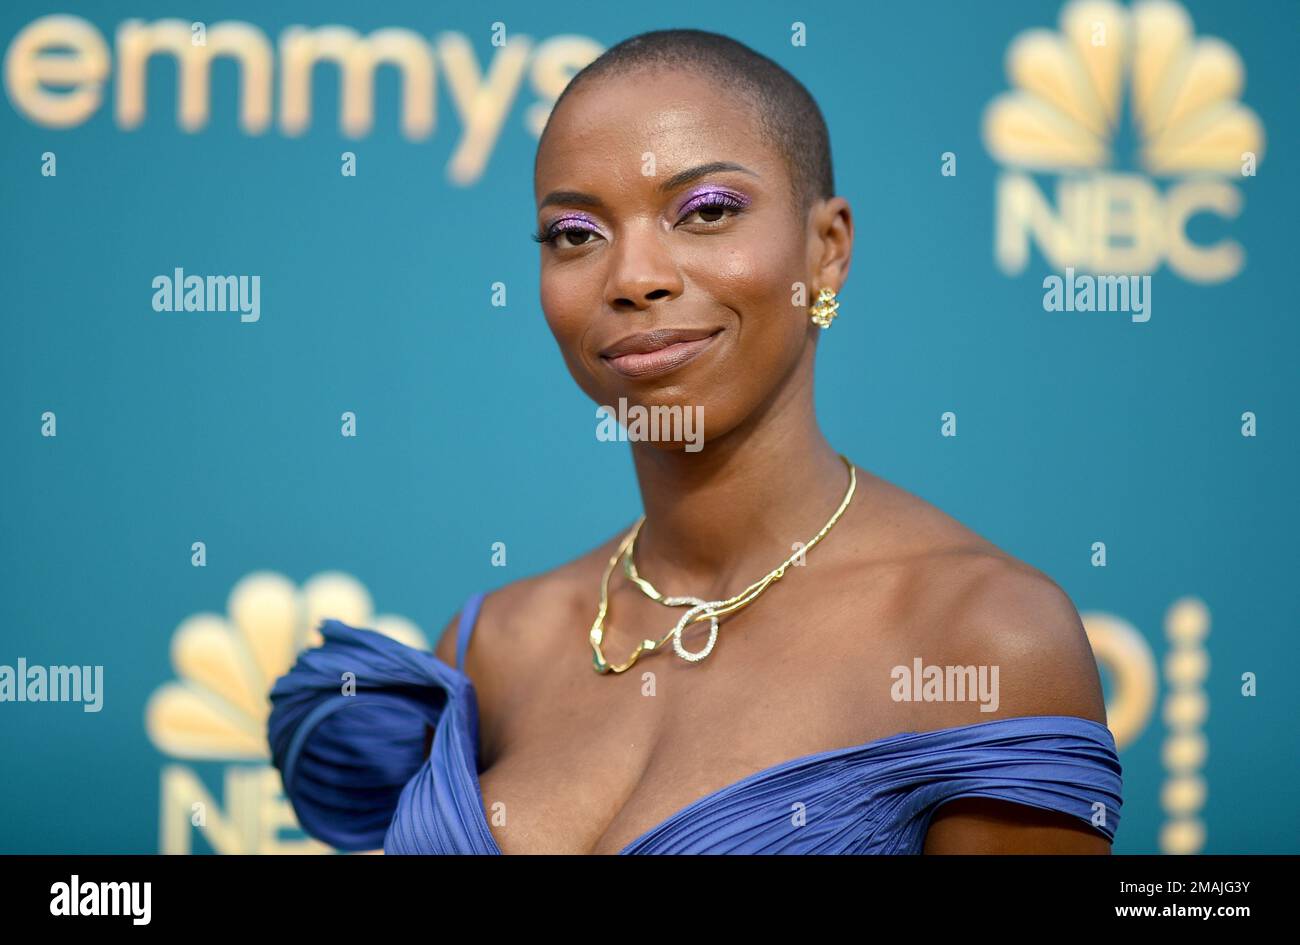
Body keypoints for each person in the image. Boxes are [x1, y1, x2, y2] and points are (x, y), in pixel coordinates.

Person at [268, 28, 1121, 854]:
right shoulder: (493, 644)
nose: (635, 277)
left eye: (706, 210)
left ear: (826, 252)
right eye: (575, 234)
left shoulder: (981, 640)